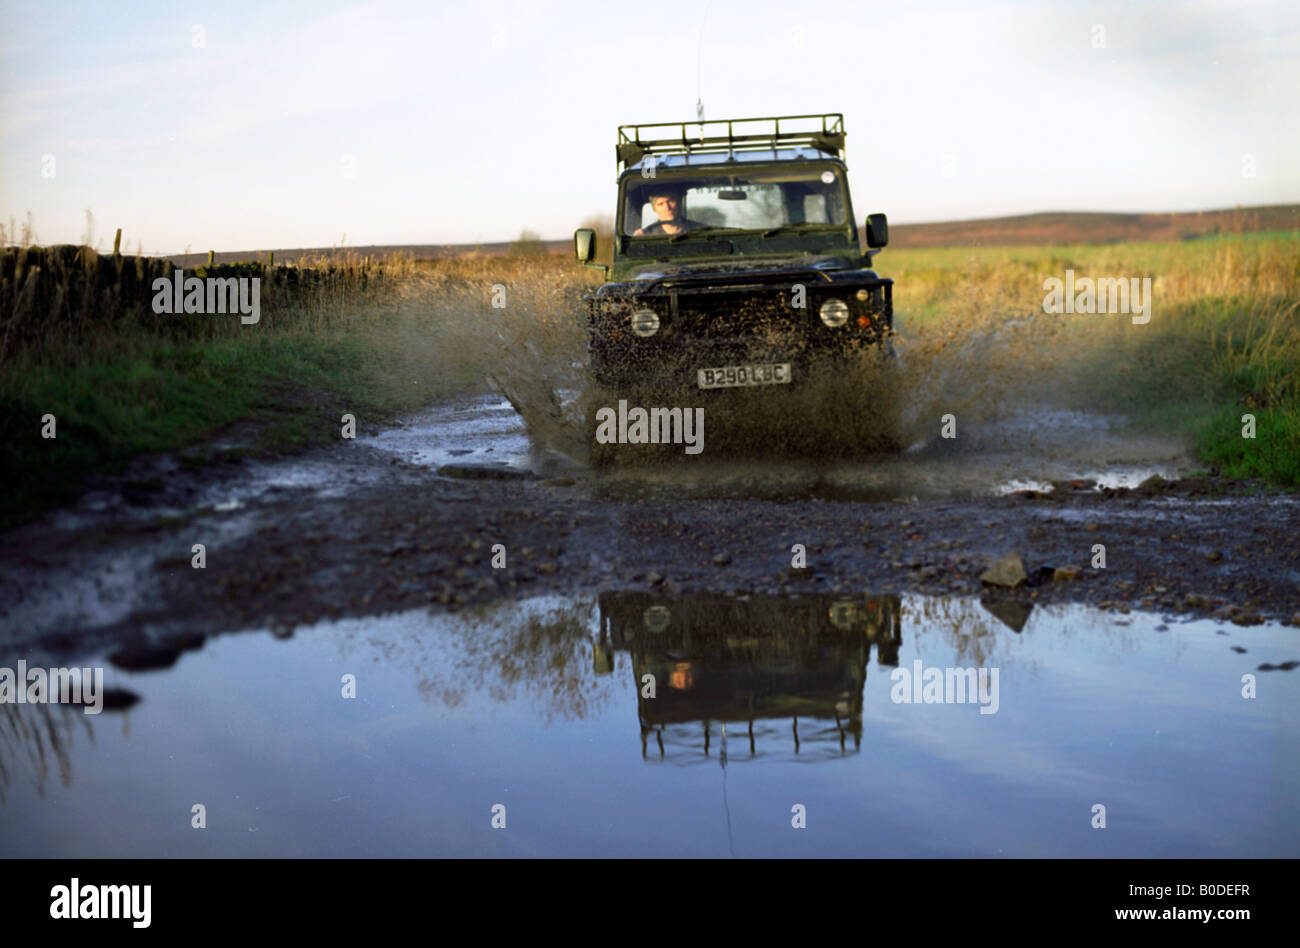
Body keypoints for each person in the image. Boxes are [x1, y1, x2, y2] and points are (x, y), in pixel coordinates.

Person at [633, 188, 707, 235]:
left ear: (679, 203)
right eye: (660, 204)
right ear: (655, 209)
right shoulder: (647, 234)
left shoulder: (699, 230)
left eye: (671, 201)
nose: (667, 207)